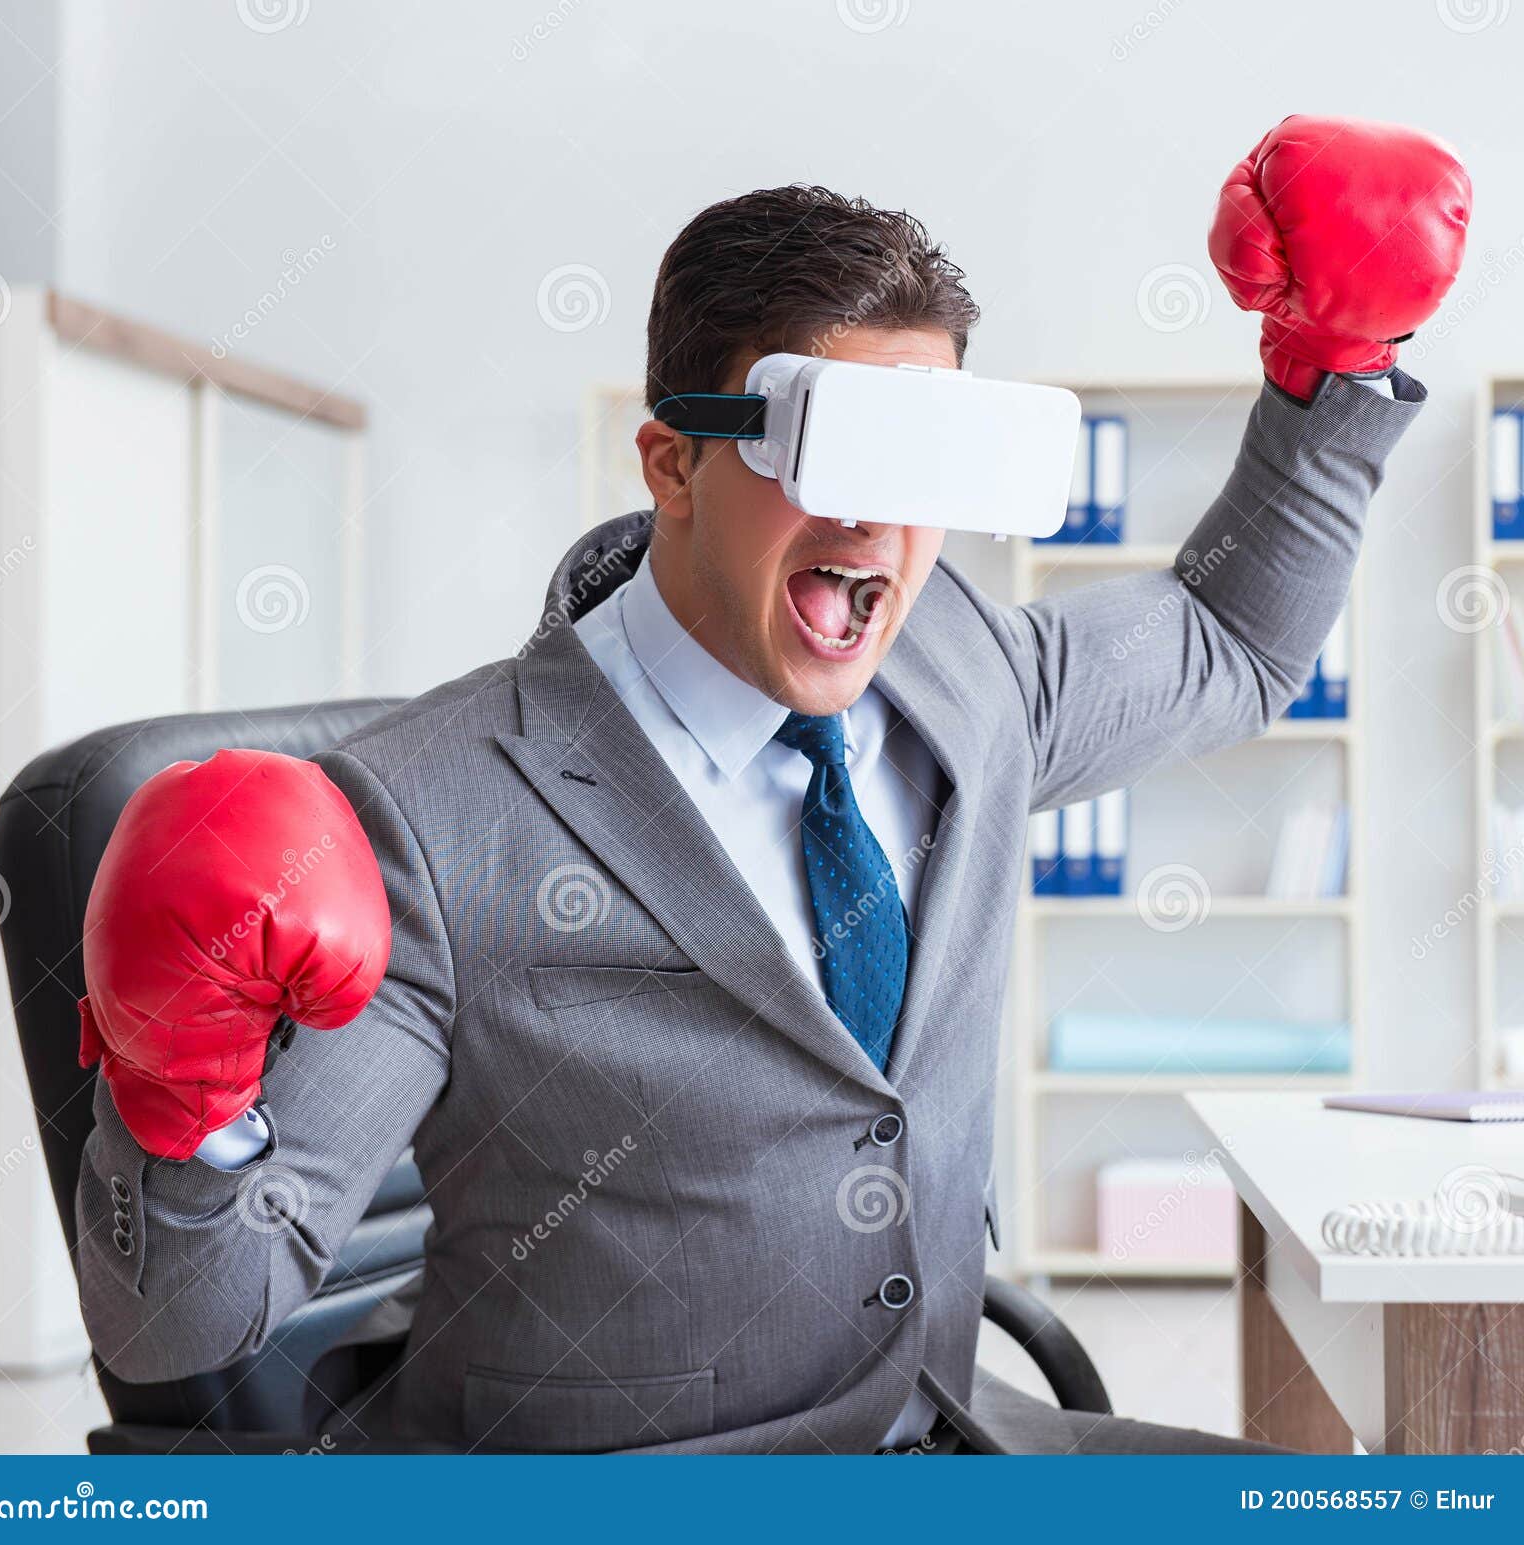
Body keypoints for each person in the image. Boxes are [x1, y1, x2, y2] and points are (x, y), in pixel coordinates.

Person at [73, 117, 1468, 1453]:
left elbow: (1225, 640)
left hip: (943, 1435)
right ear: (672, 462)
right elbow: (179, 1324)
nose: (874, 524)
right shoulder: (426, 822)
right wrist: (183, 1100)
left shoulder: (961, 666)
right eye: (830, 452)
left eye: (919, 462)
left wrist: (1333, 365)